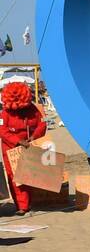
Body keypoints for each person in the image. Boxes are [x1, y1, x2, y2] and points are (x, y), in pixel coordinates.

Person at [0, 81, 48, 214]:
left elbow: (42, 124)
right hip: (10, 149)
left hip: (31, 145)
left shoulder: (33, 109)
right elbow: (2, 130)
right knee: (16, 177)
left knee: (30, 174)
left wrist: (34, 137)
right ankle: (22, 206)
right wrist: (17, 141)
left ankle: (28, 202)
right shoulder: (5, 113)